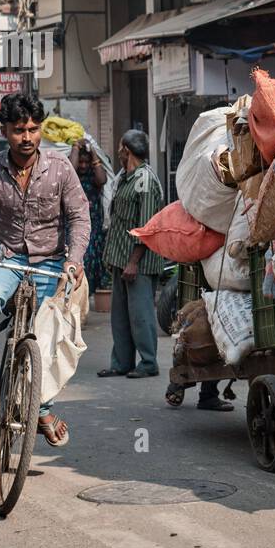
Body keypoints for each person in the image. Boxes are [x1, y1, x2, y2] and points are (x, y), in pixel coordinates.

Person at [0, 94, 88, 447]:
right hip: (8, 257)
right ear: (4, 132)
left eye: (32, 129)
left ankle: (42, 408)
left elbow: (79, 217)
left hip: (52, 262)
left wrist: (74, 259)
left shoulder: (61, 168)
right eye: (18, 130)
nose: (27, 137)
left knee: (45, 338)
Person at [97, 130, 164, 380]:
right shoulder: (125, 177)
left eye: (119, 147)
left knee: (141, 316)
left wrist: (133, 262)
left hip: (139, 263)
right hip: (119, 259)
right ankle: (122, 363)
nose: (117, 152)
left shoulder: (144, 181)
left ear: (126, 149)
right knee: (120, 317)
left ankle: (148, 362)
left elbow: (146, 227)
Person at [69, 139, 109, 293]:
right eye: (81, 162)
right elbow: (71, 169)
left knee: (93, 259)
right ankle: (78, 290)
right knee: (78, 257)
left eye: (87, 162)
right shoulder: (72, 176)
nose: (83, 166)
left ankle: (89, 290)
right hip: (74, 223)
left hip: (94, 224)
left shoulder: (94, 175)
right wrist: (75, 148)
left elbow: (103, 180)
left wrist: (93, 153)